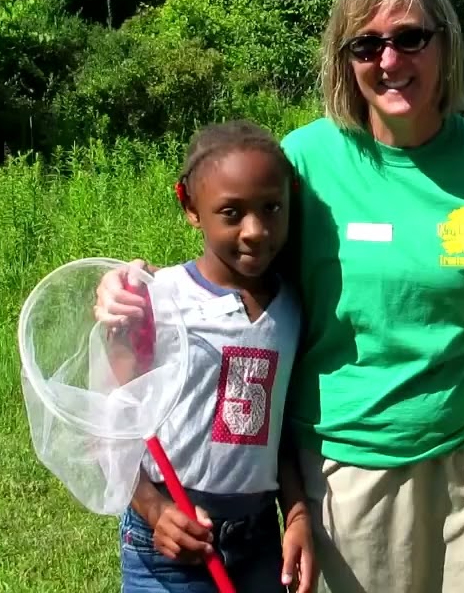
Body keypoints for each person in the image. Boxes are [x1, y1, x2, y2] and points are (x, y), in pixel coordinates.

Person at [97, 0, 464, 593]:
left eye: (410, 37)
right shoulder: (305, 162)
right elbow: (234, 265)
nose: (390, 60)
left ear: (444, 41)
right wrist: (130, 284)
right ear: (345, 60)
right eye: (367, 44)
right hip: (347, 465)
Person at [102, 120, 317, 593]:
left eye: (272, 207)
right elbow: (115, 429)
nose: (256, 231)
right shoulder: (157, 303)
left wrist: (297, 514)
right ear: (190, 207)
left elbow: (272, 427)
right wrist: (156, 512)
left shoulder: (293, 309)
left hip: (259, 540)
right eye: (231, 213)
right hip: (167, 546)